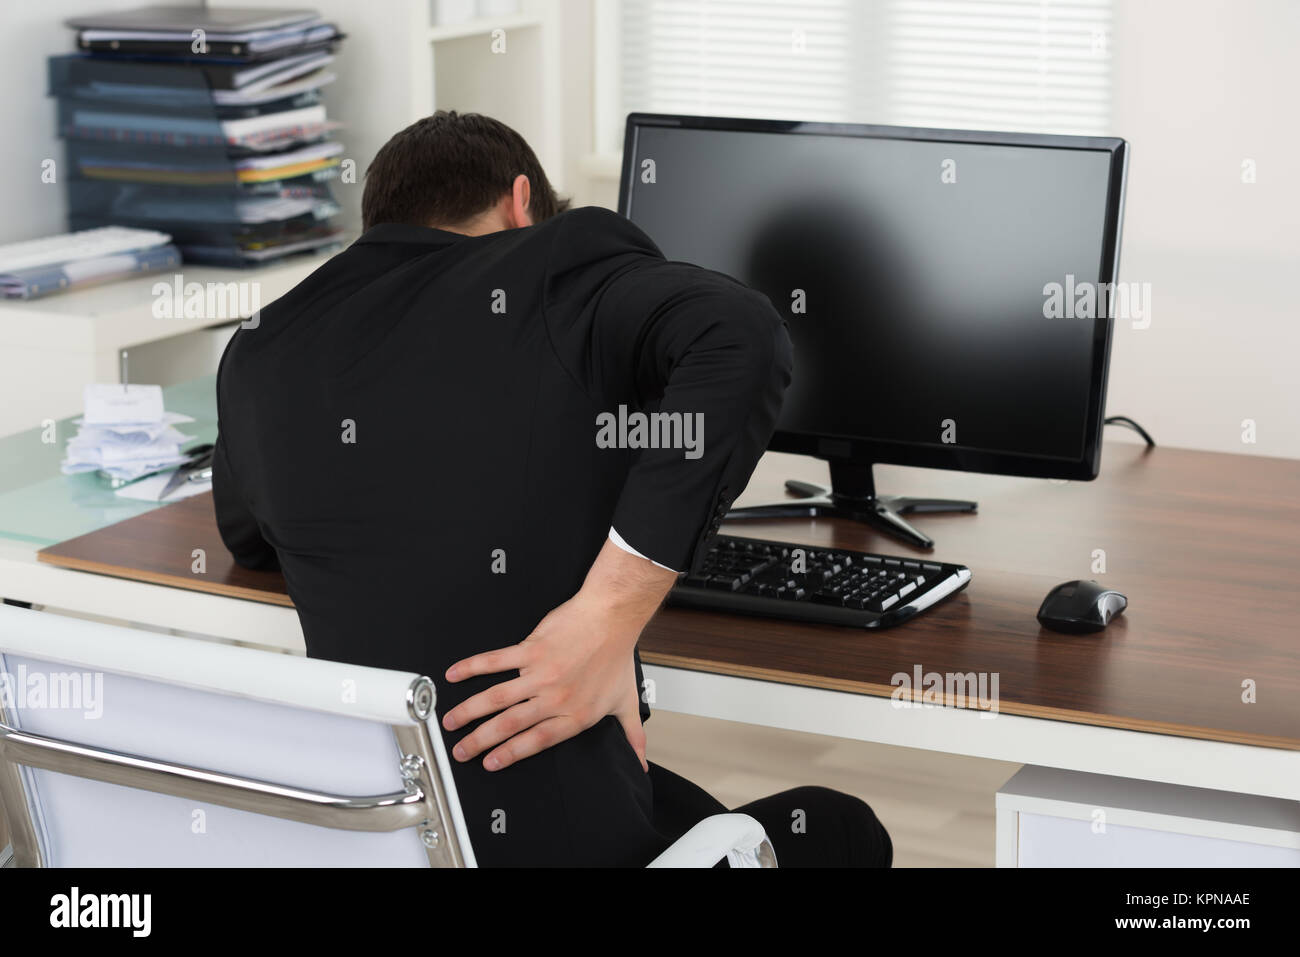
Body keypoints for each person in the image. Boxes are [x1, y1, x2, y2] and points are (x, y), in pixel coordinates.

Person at [214, 111, 891, 867]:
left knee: (684, 804)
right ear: (521, 202)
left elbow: (246, 535)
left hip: (399, 828)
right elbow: (740, 334)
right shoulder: (552, 267)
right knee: (845, 826)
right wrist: (609, 613)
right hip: (569, 840)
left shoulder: (258, 347)